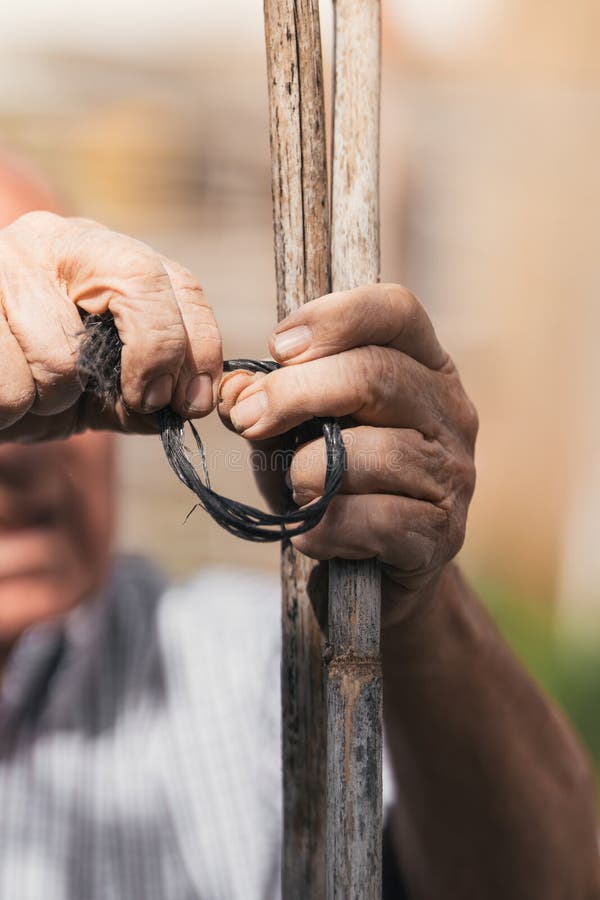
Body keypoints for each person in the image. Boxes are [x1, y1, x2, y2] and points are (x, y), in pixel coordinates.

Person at [0, 164, 597, 900]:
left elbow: (556, 881)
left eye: (70, 371)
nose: (16, 459)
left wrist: (418, 605)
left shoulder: (255, 668)